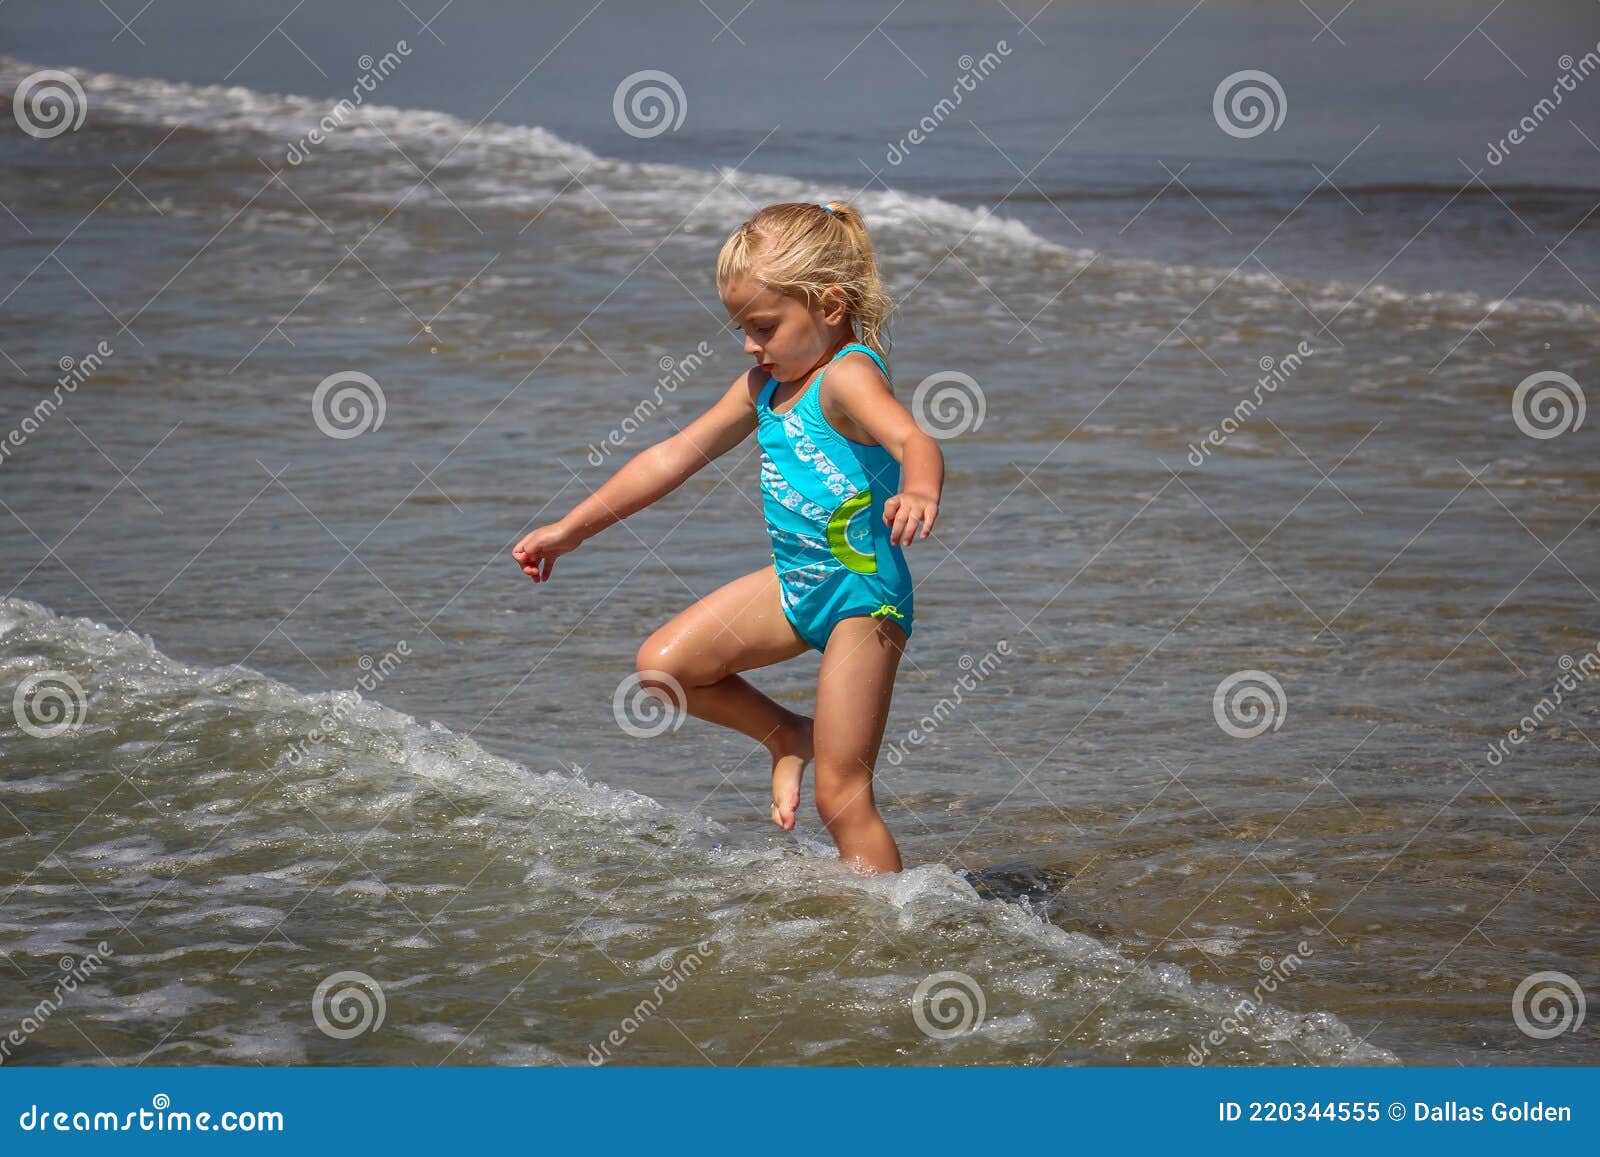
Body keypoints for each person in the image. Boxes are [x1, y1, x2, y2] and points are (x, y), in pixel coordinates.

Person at [512, 201, 944, 875]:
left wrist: (918, 490)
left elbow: (913, 438)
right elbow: (672, 457)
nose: (749, 344)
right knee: (665, 667)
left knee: (841, 795)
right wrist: (572, 530)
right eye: (742, 327)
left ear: (830, 305)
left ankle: (892, 925)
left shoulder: (847, 375)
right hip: (796, 584)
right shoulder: (761, 388)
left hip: (863, 596)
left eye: (764, 326)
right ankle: (786, 735)